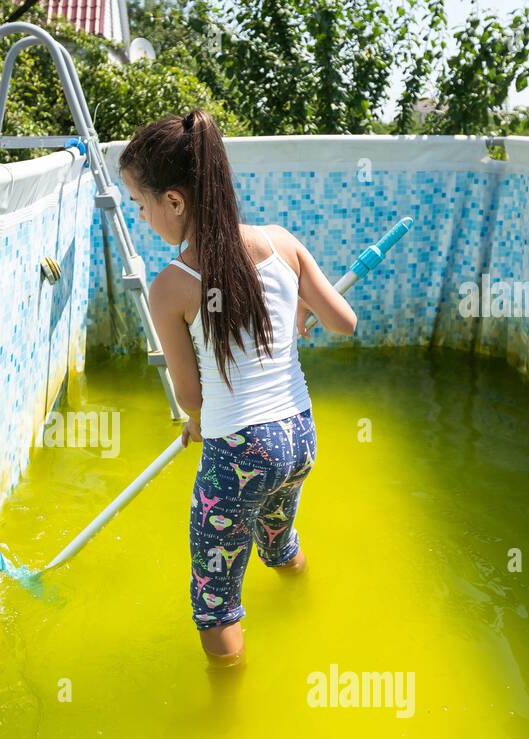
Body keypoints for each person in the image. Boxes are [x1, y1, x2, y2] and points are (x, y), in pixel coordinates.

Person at [118, 108, 357, 667]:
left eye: (142, 204)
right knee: (278, 543)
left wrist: (195, 424)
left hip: (240, 453)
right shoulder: (282, 244)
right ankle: (307, 609)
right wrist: (299, 302)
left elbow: (192, 398)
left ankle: (228, 719)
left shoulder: (172, 286)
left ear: (174, 200)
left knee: (216, 604)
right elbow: (344, 321)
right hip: (298, 439)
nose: (143, 217)